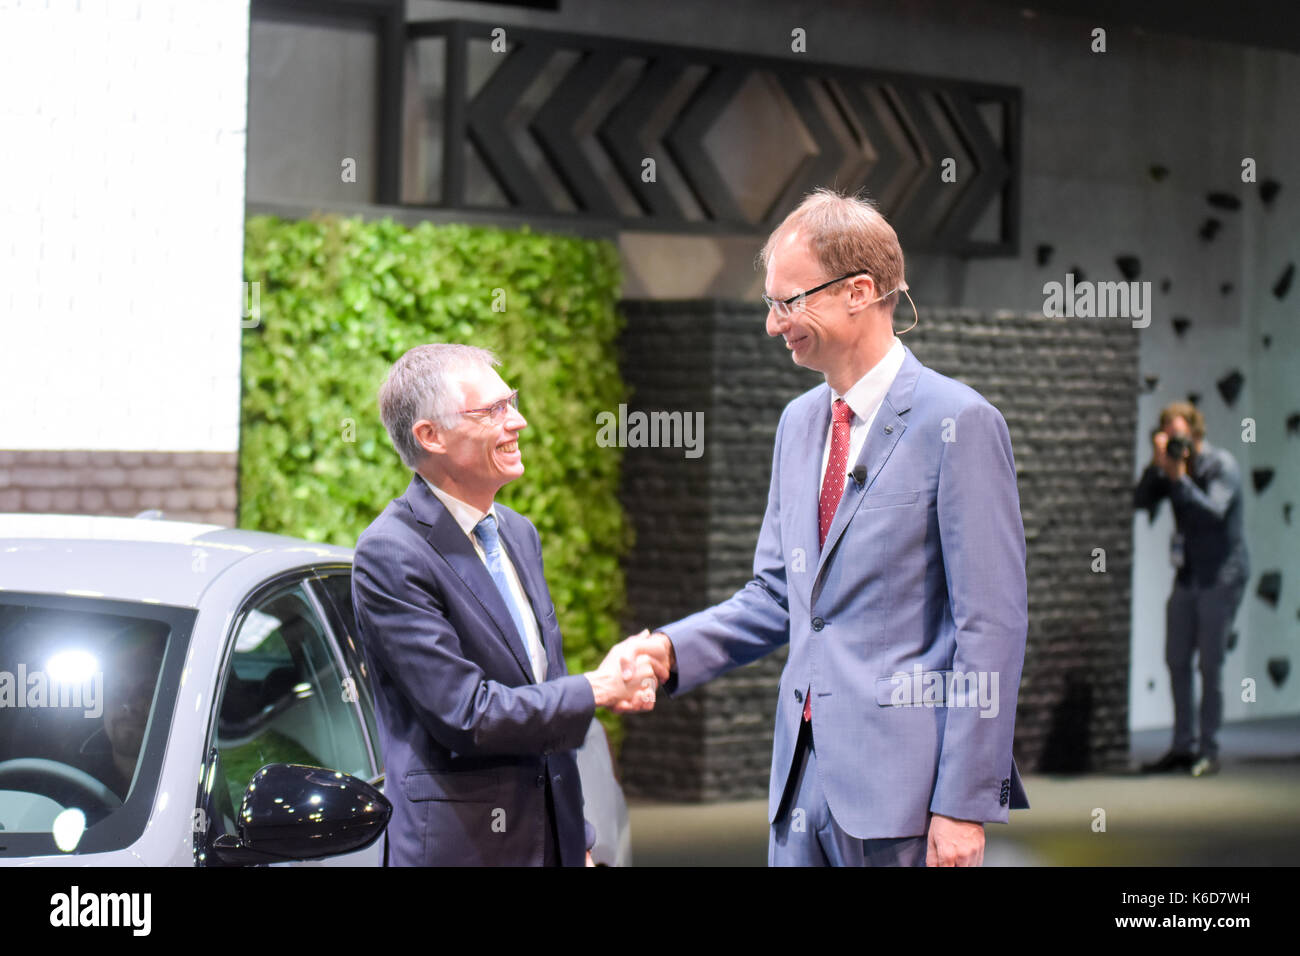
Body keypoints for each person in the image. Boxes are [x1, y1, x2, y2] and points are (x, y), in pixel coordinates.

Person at [640, 188, 1030, 866]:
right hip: (800, 786)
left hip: (907, 800)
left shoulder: (959, 423)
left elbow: (989, 630)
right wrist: (670, 651)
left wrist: (963, 804)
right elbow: (776, 596)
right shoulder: (798, 424)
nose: (772, 324)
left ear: (860, 290)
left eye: (788, 302)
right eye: (769, 303)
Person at [352, 343, 668, 866]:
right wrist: (600, 687)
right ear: (430, 436)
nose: (517, 421)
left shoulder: (518, 533)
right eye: (493, 410)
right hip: (466, 850)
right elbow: (467, 714)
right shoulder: (392, 552)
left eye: (511, 402)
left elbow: (539, 695)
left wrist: (578, 839)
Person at [1134, 402, 1248, 778]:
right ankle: (1182, 746)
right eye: (1168, 434)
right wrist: (1157, 466)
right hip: (1187, 577)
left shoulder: (1222, 466)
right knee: (1176, 659)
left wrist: (1179, 476)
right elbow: (1140, 501)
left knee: (1210, 664)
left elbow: (1212, 513)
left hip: (1221, 575)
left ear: (1196, 433)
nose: (1175, 442)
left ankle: (1208, 749)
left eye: (1179, 435)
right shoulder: (1168, 466)